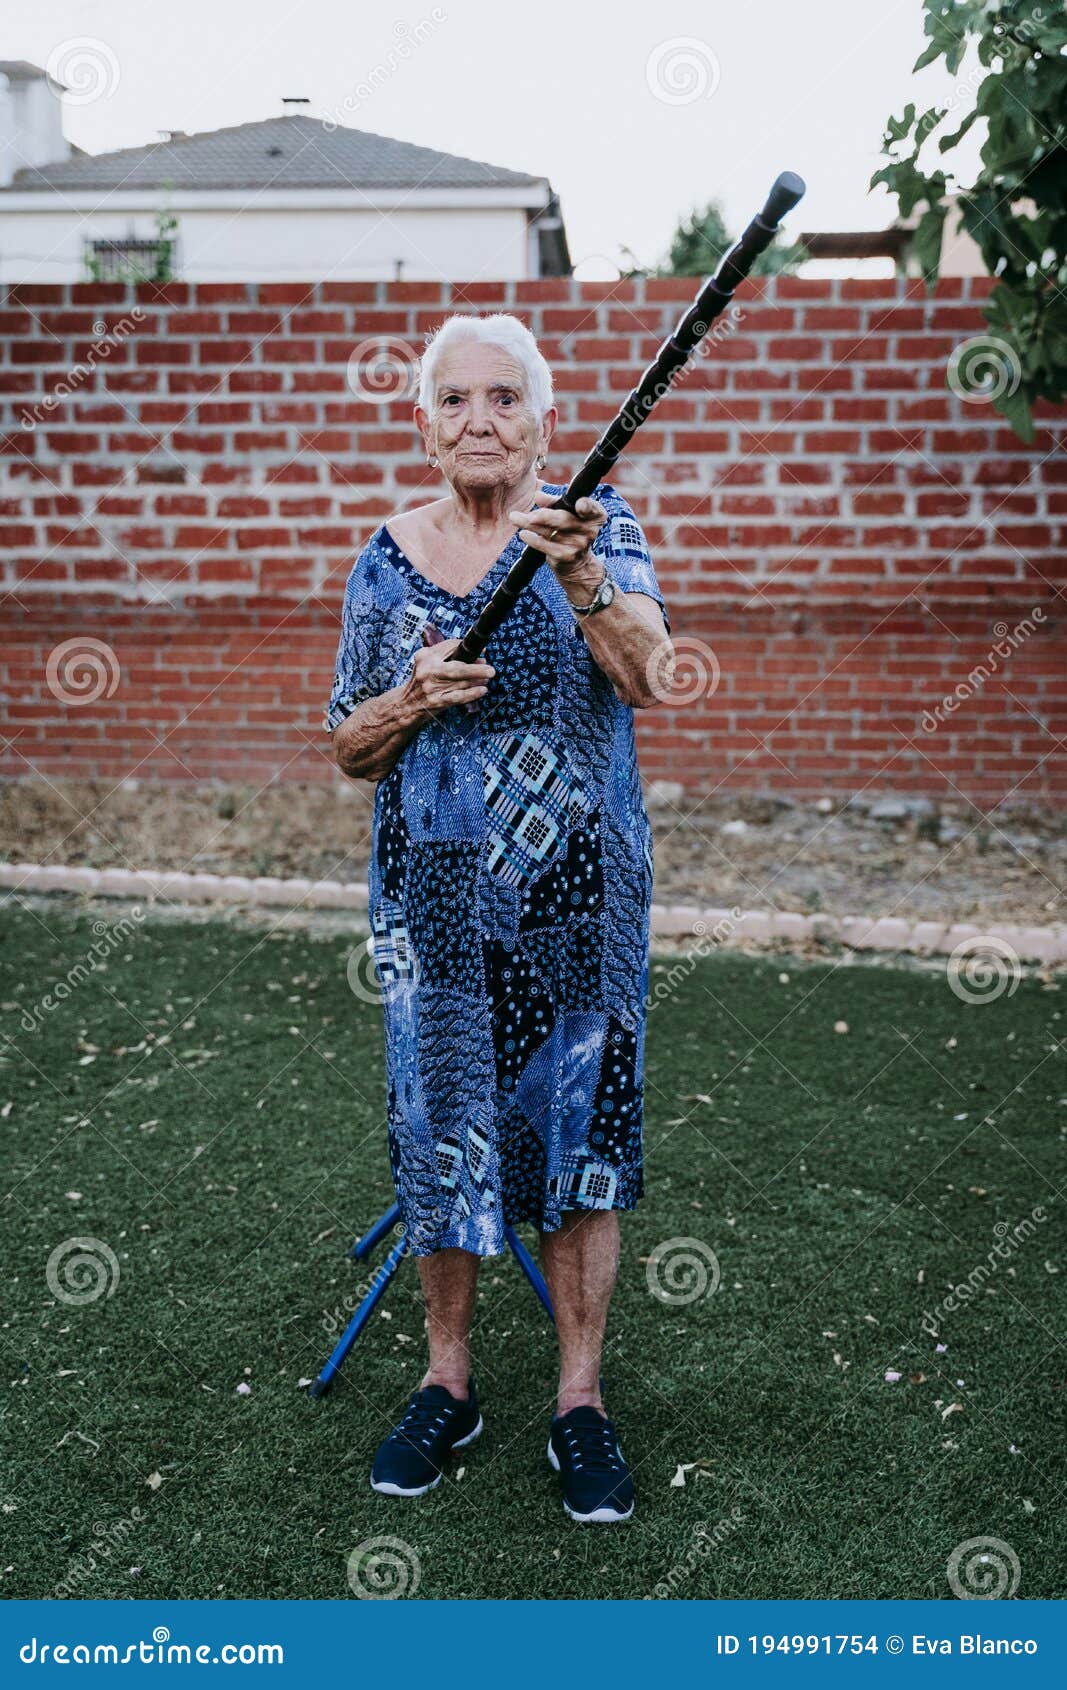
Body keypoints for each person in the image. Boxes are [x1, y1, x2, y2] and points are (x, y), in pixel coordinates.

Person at [326, 313, 673, 1523]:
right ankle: (448, 1380)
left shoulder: (598, 526)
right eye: (457, 400)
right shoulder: (386, 558)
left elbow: (648, 674)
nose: (481, 420)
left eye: (505, 399)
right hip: (432, 905)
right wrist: (408, 698)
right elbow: (344, 746)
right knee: (443, 1130)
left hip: (583, 898)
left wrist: (576, 574)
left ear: (542, 421)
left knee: (581, 1142)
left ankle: (578, 1398)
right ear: (423, 424)